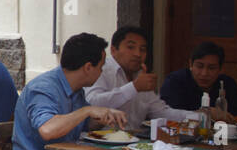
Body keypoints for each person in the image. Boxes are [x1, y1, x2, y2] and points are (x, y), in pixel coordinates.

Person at [85, 26, 225, 128]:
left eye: (143, 49)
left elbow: (161, 112)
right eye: (131, 47)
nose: (137, 54)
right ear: (114, 50)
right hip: (98, 147)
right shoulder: (102, 69)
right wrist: (134, 87)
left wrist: (203, 116)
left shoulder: (141, 75)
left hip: (131, 146)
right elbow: (92, 104)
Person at [159, 40, 237, 121]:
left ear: (221, 69)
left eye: (211, 68)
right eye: (199, 66)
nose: (204, 73)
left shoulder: (227, 84)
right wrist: (206, 113)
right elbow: (166, 115)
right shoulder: (174, 81)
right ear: (191, 64)